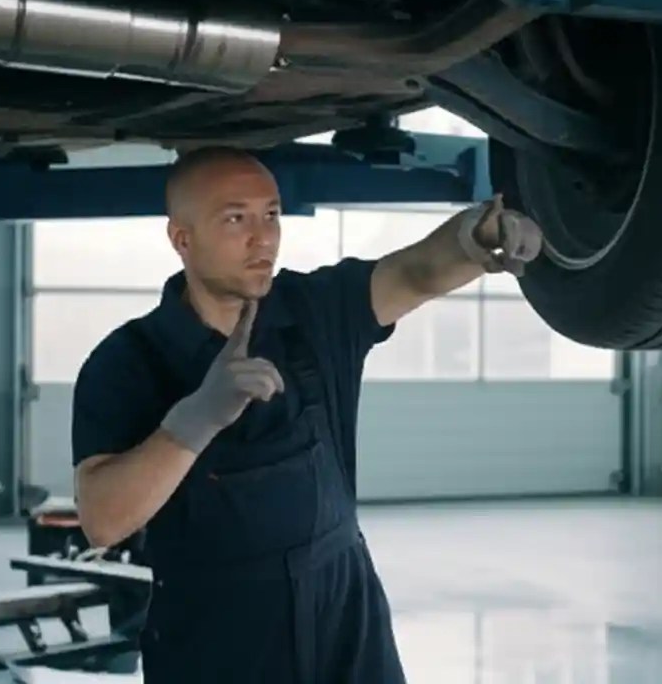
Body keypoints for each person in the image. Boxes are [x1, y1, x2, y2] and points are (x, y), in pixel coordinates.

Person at [70, 146, 543, 683]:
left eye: (271, 214)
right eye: (235, 218)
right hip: (219, 639)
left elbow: (413, 272)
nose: (263, 237)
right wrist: (193, 422)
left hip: (345, 615)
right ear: (182, 238)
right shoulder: (130, 360)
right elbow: (102, 521)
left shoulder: (316, 310)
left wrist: (475, 239)